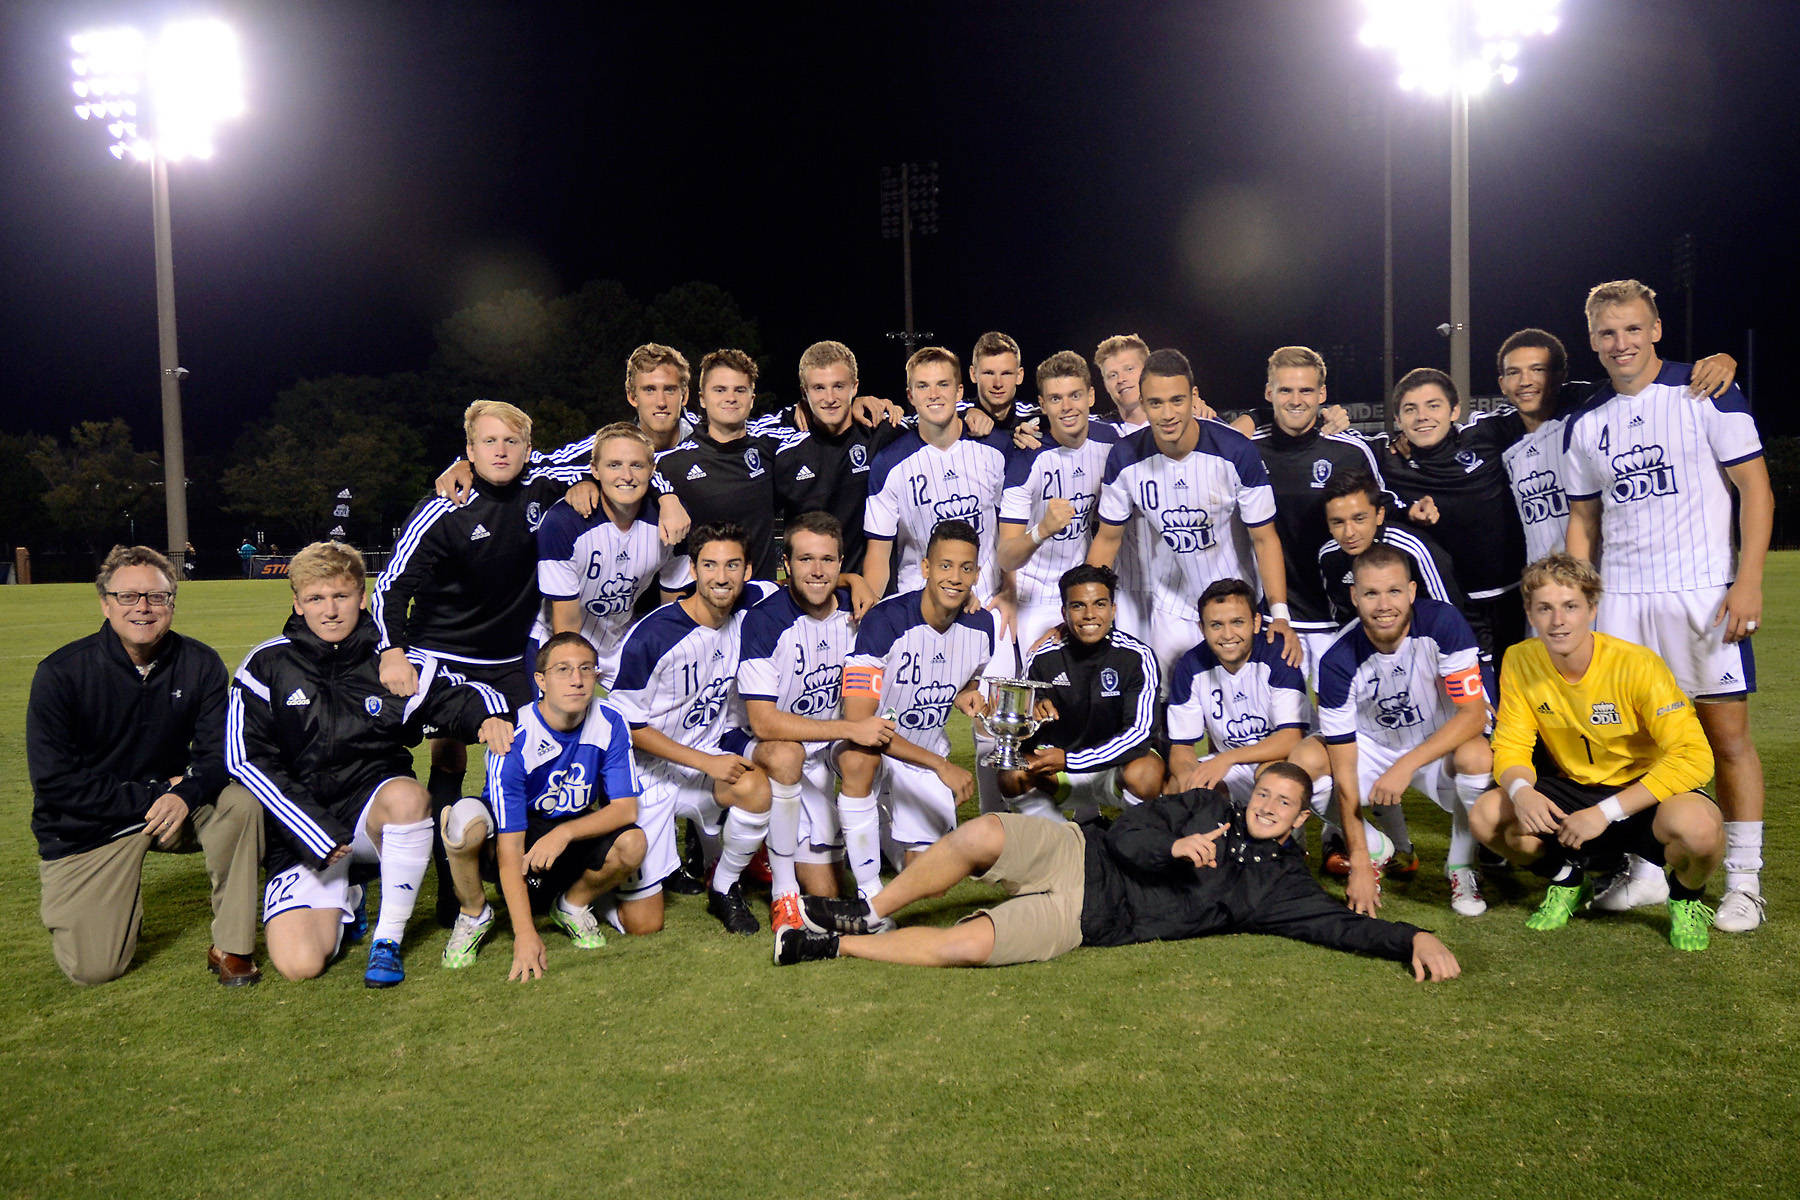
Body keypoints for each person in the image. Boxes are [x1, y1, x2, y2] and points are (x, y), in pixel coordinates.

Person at [774, 762, 1459, 982]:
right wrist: (1175, 850)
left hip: (1089, 918)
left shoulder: (1280, 890)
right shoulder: (1205, 804)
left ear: (1301, 820)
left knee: (968, 944)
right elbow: (1131, 828)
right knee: (983, 831)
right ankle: (870, 905)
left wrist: (1411, 939)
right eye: (1267, 797)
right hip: (1082, 852)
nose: (1271, 808)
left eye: (1287, 804)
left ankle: (832, 943)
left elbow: (1337, 927)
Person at [1563, 278, 1770, 932]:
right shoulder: (1586, 422)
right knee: (1638, 744)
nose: (1621, 343)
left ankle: (1744, 882)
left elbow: (1755, 492)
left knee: (1726, 736)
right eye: (1607, 333)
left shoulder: (1707, 389)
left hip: (1701, 592)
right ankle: (1648, 868)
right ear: (1593, 342)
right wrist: (1580, 602)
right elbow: (1583, 524)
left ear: (1654, 328)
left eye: (1632, 328)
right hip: (1623, 598)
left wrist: (1749, 580)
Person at [229, 541, 514, 987]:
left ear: (362, 598)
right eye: (316, 599)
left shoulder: (393, 663)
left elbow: (459, 693)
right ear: (297, 604)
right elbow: (245, 760)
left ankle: (388, 940)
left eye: (341, 596)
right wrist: (314, 832)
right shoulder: (265, 664)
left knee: (407, 798)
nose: (330, 610)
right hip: (303, 830)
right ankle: (351, 888)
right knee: (300, 965)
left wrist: (487, 717)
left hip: (371, 817)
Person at [373, 400, 588, 924]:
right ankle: (455, 889)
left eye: (511, 442)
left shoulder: (543, 482)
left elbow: (605, 451)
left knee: (526, 756)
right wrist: (391, 650)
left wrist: (587, 483)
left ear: (528, 449)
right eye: (487, 442)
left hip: (509, 657)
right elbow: (390, 585)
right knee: (449, 758)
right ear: (468, 452)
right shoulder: (445, 506)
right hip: (443, 655)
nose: (501, 451)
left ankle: (531, 873)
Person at [28, 545, 262, 987]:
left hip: (174, 810)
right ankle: (110, 912)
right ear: (105, 603)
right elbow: (56, 784)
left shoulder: (200, 662)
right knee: (95, 968)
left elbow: (219, 755)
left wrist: (184, 792)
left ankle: (232, 946)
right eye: (128, 596)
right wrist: (160, 792)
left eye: (157, 597)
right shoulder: (61, 673)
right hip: (92, 827)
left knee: (241, 803)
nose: (143, 608)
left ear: (172, 603)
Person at [1469, 554, 1722, 949]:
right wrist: (1521, 792)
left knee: (1701, 830)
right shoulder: (1520, 659)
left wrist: (1605, 814)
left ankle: (1686, 898)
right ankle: (1567, 881)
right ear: (1530, 613)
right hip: (1575, 789)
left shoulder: (1636, 664)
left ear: (1592, 609)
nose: (1558, 621)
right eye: (1545, 609)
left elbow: (1694, 756)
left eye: (1570, 607)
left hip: (1642, 791)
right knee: (1487, 816)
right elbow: (1512, 743)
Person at [438, 632, 647, 977]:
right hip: (515, 835)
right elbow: (509, 851)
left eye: (585, 669)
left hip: (568, 830)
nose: (576, 680)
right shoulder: (516, 739)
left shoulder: (610, 721)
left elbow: (626, 810)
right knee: (463, 822)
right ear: (541, 681)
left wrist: (564, 833)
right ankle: (474, 913)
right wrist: (525, 936)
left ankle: (572, 905)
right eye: (562, 670)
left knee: (633, 842)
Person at [1305, 545, 1495, 919]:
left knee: (1477, 754)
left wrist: (1405, 765)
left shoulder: (1442, 624)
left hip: (1433, 742)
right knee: (1304, 764)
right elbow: (1344, 771)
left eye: (1393, 591)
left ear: (1411, 591)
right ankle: (1377, 848)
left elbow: (1473, 716)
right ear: (1355, 597)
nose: (1383, 604)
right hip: (1372, 748)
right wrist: (1359, 860)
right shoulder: (1337, 661)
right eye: (1371, 594)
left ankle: (1461, 866)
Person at [1087, 348, 1298, 682]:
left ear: (1194, 397)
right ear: (1142, 402)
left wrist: (1279, 614)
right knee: (1171, 715)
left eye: (1177, 400)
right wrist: (1086, 604)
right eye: (1155, 403)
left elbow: (1265, 537)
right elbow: (1107, 539)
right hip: (1173, 607)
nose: (1168, 413)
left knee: (1236, 716)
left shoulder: (1236, 451)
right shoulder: (1125, 457)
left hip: (1235, 604)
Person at [607, 523, 777, 935]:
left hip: (705, 760)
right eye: (711, 565)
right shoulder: (654, 634)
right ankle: (596, 895)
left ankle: (723, 887)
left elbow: (810, 582)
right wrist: (706, 761)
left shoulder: (756, 602)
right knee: (643, 925)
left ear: (748, 570)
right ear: (693, 572)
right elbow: (627, 725)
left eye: (732, 565)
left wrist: (852, 579)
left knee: (756, 786)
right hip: (645, 771)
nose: (722, 577)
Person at [734, 513, 897, 930]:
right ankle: (781, 886)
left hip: (826, 753)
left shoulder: (860, 611)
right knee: (788, 755)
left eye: (828, 560)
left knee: (829, 893)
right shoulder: (765, 620)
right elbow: (764, 723)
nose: (818, 570)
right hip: (773, 749)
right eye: (806, 559)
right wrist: (850, 729)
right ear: (786, 563)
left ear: (842, 562)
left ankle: (868, 889)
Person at [837, 520, 996, 892]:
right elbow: (860, 723)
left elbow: (968, 675)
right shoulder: (884, 621)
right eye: (945, 565)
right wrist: (942, 765)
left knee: (931, 880)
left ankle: (878, 833)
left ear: (976, 574)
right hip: (874, 749)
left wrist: (965, 692)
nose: (955, 577)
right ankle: (867, 885)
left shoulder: (982, 627)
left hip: (922, 754)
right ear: (925, 568)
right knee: (861, 757)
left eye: (965, 568)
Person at [1243, 346, 1398, 684]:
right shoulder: (1247, 450)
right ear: (1269, 393)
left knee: (1355, 726)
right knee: (1276, 727)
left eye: (1306, 390)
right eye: (1285, 390)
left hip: (1342, 617)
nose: (1295, 400)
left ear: (1322, 394)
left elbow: (1383, 524)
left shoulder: (1349, 450)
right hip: (1274, 616)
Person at [1362, 369, 1527, 674]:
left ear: (1455, 410)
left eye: (1433, 405)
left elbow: (1543, 404)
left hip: (1515, 598)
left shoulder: (1484, 434)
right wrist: (1406, 512)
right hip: (1449, 608)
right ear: (1398, 420)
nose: (1422, 416)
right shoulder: (1385, 458)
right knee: (1470, 701)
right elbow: (1330, 442)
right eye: (1410, 409)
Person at [533, 422, 692, 687]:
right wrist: (579, 676)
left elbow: (671, 609)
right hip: (557, 643)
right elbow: (566, 624)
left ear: (652, 470)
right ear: (594, 469)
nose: (626, 475)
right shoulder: (563, 522)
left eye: (637, 466)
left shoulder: (671, 519)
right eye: (614, 465)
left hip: (619, 643)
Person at [1003, 565, 1163, 820]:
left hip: (1114, 768)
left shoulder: (1136, 657)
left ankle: (1131, 839)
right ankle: (1061, 842)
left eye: (1099, 604)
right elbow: (1017, 732)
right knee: (1012, 774)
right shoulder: (1042, 658)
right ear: (1064, 612)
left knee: (1148, 771)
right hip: (1060, 772)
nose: (1090, 614)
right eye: (1078, 606)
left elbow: (1140, 733)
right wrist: (1030, 714)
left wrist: (1071, 760)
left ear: (1113, 609)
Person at [862, 346, 1013, 603]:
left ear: (960, 391)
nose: (933, 394)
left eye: (943, 384)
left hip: (988, 604)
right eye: (923, 386)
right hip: (917, 607)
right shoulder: (888, 464)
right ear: (910, 395)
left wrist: (1010, 594)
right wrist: (873, 611)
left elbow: (1013, 533)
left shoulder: (997, 449)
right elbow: (878, 555)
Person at [995, 352, 1121, 653]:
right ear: (1042, 404)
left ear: (1091, 396)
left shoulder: (1112, 441)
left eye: (1074, 395)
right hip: (1032, 593)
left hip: (1082, 586)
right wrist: (1042, 530)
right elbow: (1007, 557)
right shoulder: (1027, 456)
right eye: (1055, 399)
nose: (1066, 407)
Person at [1166, 579, 1312, 809]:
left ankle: (1290, 841)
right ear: (1201, 628)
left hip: (1290, 760)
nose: (1227, 634)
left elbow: (1291, 739)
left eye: (1237, 622)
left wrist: (1226, 759)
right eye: (1216, 625)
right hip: (1235, 764)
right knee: (1174, 788)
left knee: (1269, 778)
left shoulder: (1278, 655)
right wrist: (1188, 777)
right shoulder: (1190, 665)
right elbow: (1181, 748)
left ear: (1255, 623)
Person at [765, 341, 903, 573]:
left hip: (873, 589)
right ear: (804, 392)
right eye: (819, 388)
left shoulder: (881, 430)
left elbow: (936, 417)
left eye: (838, 386)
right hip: (812, 590)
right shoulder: (784, 445)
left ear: (855, 387)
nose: (830, 398)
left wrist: (974, 411)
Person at [652, 349, 789, 580]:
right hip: (706, 602)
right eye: (720, 390)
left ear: (751, 398)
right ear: (702, 398)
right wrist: (665, 496)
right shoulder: (673, 463)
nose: (731, 398)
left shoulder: (772, 446)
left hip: (762, 601)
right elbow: (625, 475)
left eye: (740, 390)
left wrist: (859, 405)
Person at [1315, 472, 1466, 630]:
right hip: (1373, 649)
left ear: (1379, 515)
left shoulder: (1414, 550)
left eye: (1359, 519)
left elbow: (1452, 618)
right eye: (1338, 522)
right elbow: (1345, 621)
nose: (1349, 533)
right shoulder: (1329, 557)